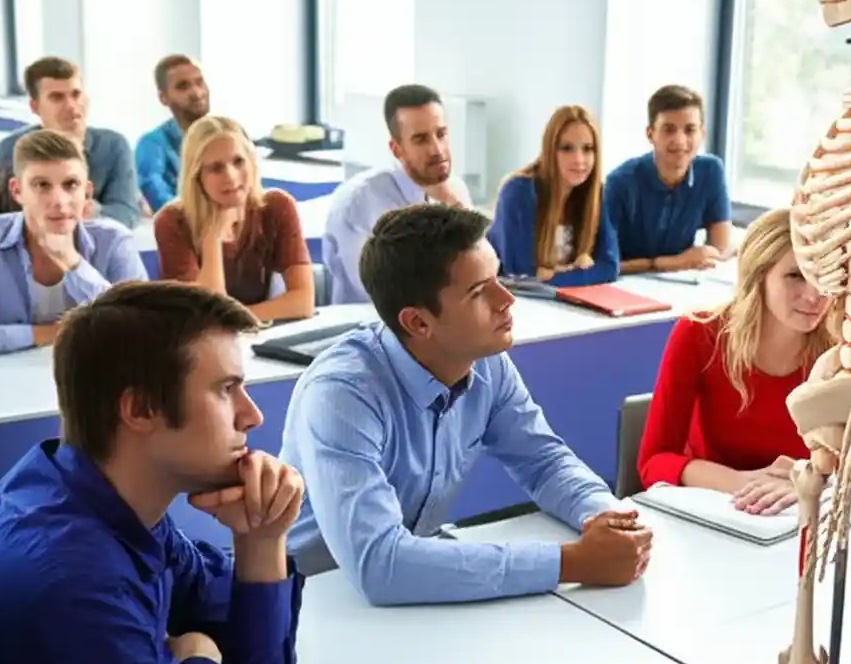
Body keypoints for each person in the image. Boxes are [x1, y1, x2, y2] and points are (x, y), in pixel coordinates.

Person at [279, 203, 652, 605]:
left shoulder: (486, 362)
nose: (506, 299)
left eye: (498, 277)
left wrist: (608, 518)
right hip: (313, 599)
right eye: (479, 291)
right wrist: (573, 563)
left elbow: (545, 463)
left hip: (419, 585)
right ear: (418, 323)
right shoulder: (341, 395)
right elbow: (380, 564)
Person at [0, 280, 305, 664]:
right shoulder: (77, 588)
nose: (252, 416)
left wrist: (261, 538)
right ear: (141, 410)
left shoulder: (95, 494)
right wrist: (201, 658)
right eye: (226, 389)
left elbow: (231, 625)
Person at [638, 207, 851, 514]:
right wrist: (742, 482)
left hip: (800, 515)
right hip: (714, 509)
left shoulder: (845, 347)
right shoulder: (699, 334)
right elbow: (655, 461)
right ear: (758, 275)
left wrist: (816, 477)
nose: (815, 295)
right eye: (795, 276)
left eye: (826, 277)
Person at [0, 129, 145, 357]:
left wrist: (73, 263)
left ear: (87, 192)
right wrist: (54, 333)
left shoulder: (114, 241)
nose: (59, 201)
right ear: (17, 191)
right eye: (42, 185)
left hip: (89, 382)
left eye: (71, 184)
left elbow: (143, 331)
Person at [153, 115, 314, 322]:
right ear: (196, 177)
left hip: (257, 337)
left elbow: (303, 301)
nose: (230, 175)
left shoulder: (277, 206)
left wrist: (236, 320)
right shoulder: (171, 221)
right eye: (216, 168)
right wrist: (212, 236)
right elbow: (204, 316)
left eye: (238, 161)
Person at [322, 84, 472, 304]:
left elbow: (480, 274)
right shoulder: (361, 202)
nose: (437, 150)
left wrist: (455, 207)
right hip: (372, 328)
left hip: (441, 326)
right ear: (397, 149)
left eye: (441, 134)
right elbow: (383, 294)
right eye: (420, 139)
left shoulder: (455, 190)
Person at [0, 56, 141, 228]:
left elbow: (127, 213)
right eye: (57, 98)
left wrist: (90, 210)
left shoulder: (114, 146)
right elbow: (8, 218)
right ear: (35, 107)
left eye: (76, 94)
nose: (71, 105)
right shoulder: (12, 148)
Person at [604, 84, 732, 274]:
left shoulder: (711, 171)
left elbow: (719, 249)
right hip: (624, 286)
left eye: (690, 130)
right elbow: (604, 265)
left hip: (680, 284)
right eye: (668, 130)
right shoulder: (620, 183)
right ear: (650, 134)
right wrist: (674, 262)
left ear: (702, 135)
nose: (680, 141)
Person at [486, 104, 619, 285]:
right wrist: (578, 271)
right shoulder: (518, 191)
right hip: (517, 305)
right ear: (550, 150)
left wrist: (556, 274)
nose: (579, 160)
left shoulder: (595, 193)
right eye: (566, 148)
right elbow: (521, 275)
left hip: (565, 304)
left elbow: (609, 267)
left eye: (588, 149)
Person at [136, 54, 211, 212]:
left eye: (199, 82)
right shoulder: (152, 144)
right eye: (183, 86)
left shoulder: (229, 136)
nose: (197, 93)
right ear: (163, 98)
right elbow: (162, 204)